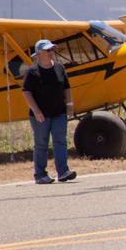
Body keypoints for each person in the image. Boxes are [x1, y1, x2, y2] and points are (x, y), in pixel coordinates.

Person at [21, 39, 76, 185]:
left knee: (60, 141)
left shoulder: (59, 67)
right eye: (48, 50)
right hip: (40, 116)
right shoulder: (31, 72)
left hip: (59, 112)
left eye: (52, 50)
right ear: (39, 53)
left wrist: (70, 105)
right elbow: (26, 92)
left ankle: (63, 172)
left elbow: (66, 87)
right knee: (41, 144)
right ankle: (40, 175)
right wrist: (36, 110)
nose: (51, 52)